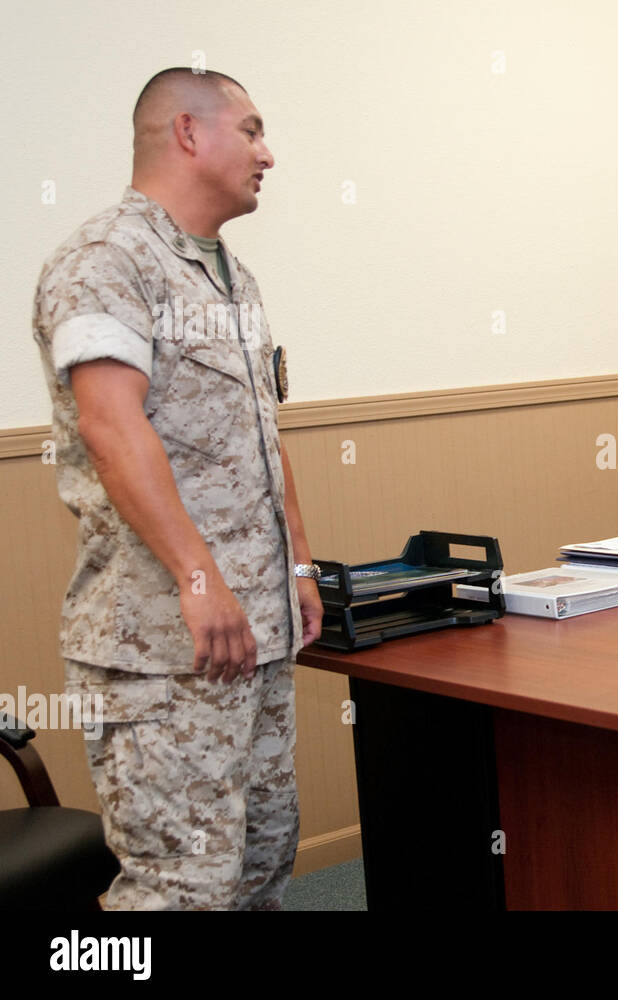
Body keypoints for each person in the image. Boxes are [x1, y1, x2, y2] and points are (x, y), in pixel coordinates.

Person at [31, 68, 322, 909]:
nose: (269, 153)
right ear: (188, 134)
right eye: (252, 129)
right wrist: (199, 578)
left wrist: (299, 565)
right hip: (163, 646)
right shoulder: (106, 260)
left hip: (254, 634)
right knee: (178, 888)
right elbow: (111, 428)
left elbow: (263, 434)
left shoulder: (234, 278)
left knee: (262, 861)